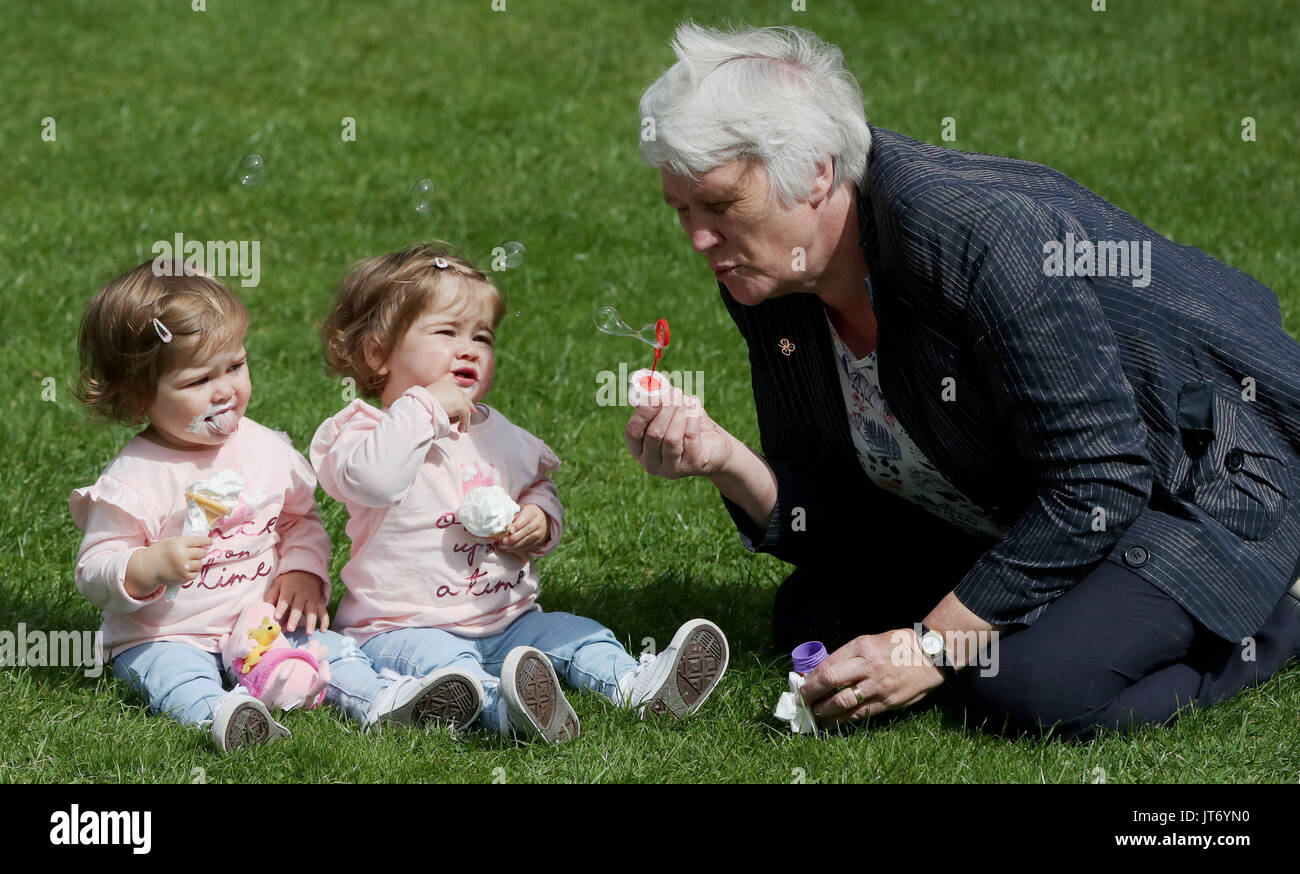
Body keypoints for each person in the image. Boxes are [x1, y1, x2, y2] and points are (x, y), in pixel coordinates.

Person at [625, 23, 1300, 740]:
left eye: (721, 206)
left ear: (816, 172)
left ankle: (1279, 617)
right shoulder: (767, 278)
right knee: (813, 616)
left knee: (1029, 690)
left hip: (1199, 479)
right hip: (1015, 494)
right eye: (683, 212)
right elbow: (837, 511)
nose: (698, 240)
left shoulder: (976, 238)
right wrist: (723, 460)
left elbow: (1100, 482)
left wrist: (931, 645)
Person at [311, 242, 728, 744]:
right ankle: (504, 708)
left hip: (509, 619)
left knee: (579, 633)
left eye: (482, 338)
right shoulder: (362, 431)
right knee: (450, 666)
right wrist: (423, 406)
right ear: (378, 352)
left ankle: (639, 685)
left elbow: (538, 485)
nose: (468, 350)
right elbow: (376, 482)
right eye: (446, 332)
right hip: (401, 629)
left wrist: (538, 517)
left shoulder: (499, 432)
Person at [70, 260, 474, 753]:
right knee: (170, 674)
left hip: (260, 621)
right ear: (138, 399)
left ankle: (384, 699)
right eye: (199, 381)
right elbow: (94, 569)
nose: (226, 390)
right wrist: (146, 565)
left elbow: (299, 519)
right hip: (168, 632)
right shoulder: (134, 478)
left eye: (236, 366)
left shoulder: (266, 451)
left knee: (332, 652)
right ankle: (221, 715)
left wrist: (303, 571)